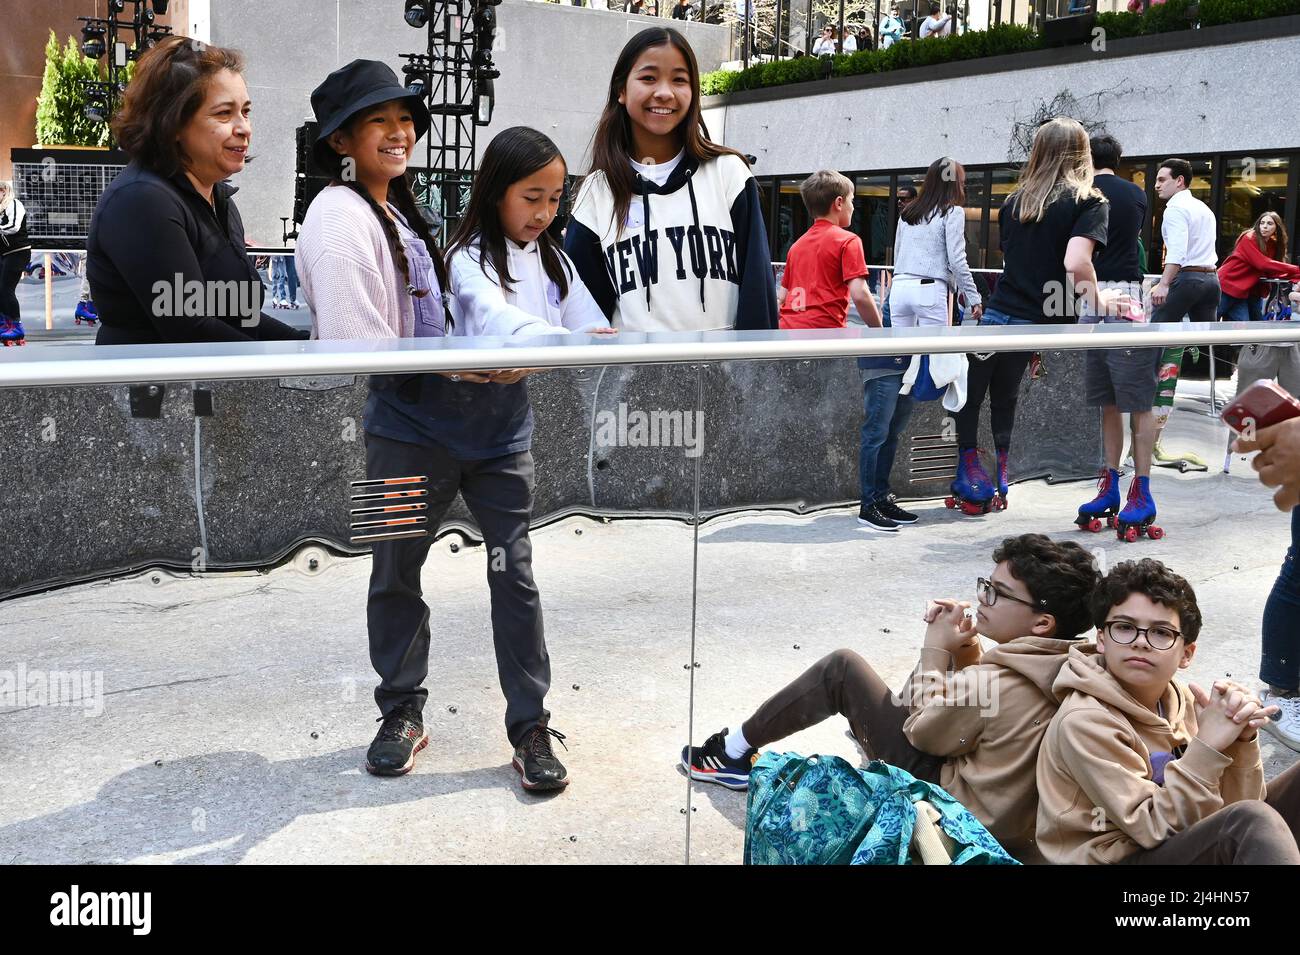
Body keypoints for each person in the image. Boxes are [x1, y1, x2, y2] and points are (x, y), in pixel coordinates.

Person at [296, 59, 607, 790]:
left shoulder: (412, 213)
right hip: (404, 430)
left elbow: (518, 322)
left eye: (406, 118)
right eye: (381, 120)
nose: (400, 131)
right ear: (342, 138)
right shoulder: (342, 215)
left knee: (515, 575)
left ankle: (530, 723)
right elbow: (360, 343)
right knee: (395, 567)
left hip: (500, 433)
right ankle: (400, 709)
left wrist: (531, 357)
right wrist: (476, 363)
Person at [682, 534, 1102, 864]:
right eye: (985, 585)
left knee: (842, 670)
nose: (981, 599)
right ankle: (858, 735)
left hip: (956, 815)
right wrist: (967, 651)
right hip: (1018, 823)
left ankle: (729, 754)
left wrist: (936, 647)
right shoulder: (1074, 662)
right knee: (889, 700)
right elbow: (991, 707)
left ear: (1043, 621)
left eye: (997, 593)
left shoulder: (992, 683)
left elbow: (920, 730)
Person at [1035, 559, 1300, 864]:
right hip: (1121, 857)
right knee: (1250, 822)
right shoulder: (1084, 720)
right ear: (1102, 640)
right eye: (1124, 627)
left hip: (1178, 840)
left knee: (1255, 817)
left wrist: (1241, 740)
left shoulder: (1184, 701)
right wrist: (1208, 747)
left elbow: (1242, 804)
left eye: (1161, 633)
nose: (1140, 642)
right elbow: (1153, 827)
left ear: (1186, 653)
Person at [949, 118, 1123, 515]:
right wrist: (1102, 301)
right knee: (1006, 396)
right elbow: (1076, 262)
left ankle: (971, 468)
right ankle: (1001, 474)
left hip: (1000, 312)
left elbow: (1019, 263)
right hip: (1044, 319)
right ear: (1082, 153)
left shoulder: (1015, 203)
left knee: (973, 396)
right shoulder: (1090, 201)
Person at [85, 37, 305, 346]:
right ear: (172, 122)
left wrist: (304, 344)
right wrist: (282, 361)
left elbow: (239, 315)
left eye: (245, 111)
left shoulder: (220, 199)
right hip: (155, 390)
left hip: (208, 386)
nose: (244, 128)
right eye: (224, 113)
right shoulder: (142, 200)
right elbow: (191, 327)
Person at [565, 27, 778, 332]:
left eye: (679, 79)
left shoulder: (728, 173)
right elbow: (582, 311)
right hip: (631, 375)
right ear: (621, 91)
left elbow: (758, 293)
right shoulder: (597, 191)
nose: (664, 92)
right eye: (649, 78)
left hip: (723, 375)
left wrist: (755, 374)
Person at [1074, 134, 1162, 543]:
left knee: (1110, 400)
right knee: (1134, 400)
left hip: (1090, 296)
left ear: (1087, 158)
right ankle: (1133, 488)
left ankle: (1120, 485)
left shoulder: (1081, 195)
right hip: (1128, 295)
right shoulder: (1136, 194)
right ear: (1119, 159)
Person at [1150, 158, 1219, 324]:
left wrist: (1164, 284)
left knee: (1154, 336)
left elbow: (1177, 251)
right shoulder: (1203, 207)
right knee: (1205, 343)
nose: (1156, 185)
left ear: (1179, 180)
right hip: (1212, 280)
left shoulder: (1175, 209)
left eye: (1162, 180)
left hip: (1189, 278)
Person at [1217, 211, 1300, 323]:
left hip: (1242, 291)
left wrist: (1296, 276)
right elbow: (1263, 263)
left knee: (1243, 327)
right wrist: (1296, 270)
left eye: (1270, 223)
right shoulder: (1249, 237)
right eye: (1262, 223)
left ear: (1277, 228)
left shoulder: (1272, 245)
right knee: (1208, 323)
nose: (1265, 226)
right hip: (1226, 285)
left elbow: (1272, 270)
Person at [0, 180, 31, 347]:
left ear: (4, 191)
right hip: (5, 253)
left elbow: (13, 226)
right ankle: (5, 323)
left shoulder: (14, 204)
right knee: (1, 290)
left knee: (6, 289)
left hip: (18, 252)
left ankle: (16, 325)